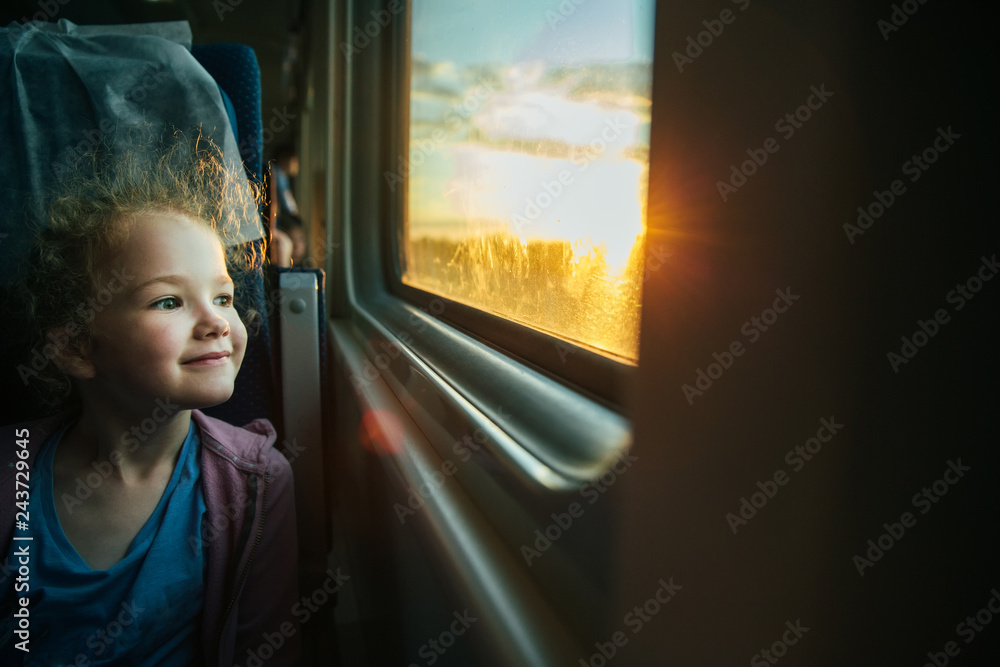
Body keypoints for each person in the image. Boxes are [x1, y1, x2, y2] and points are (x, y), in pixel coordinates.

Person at [0, 134, 300, 666]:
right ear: (77, 346)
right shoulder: (11, 471)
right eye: (168, 301)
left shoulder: (258, 483)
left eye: (224, 297)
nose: (216, 322)